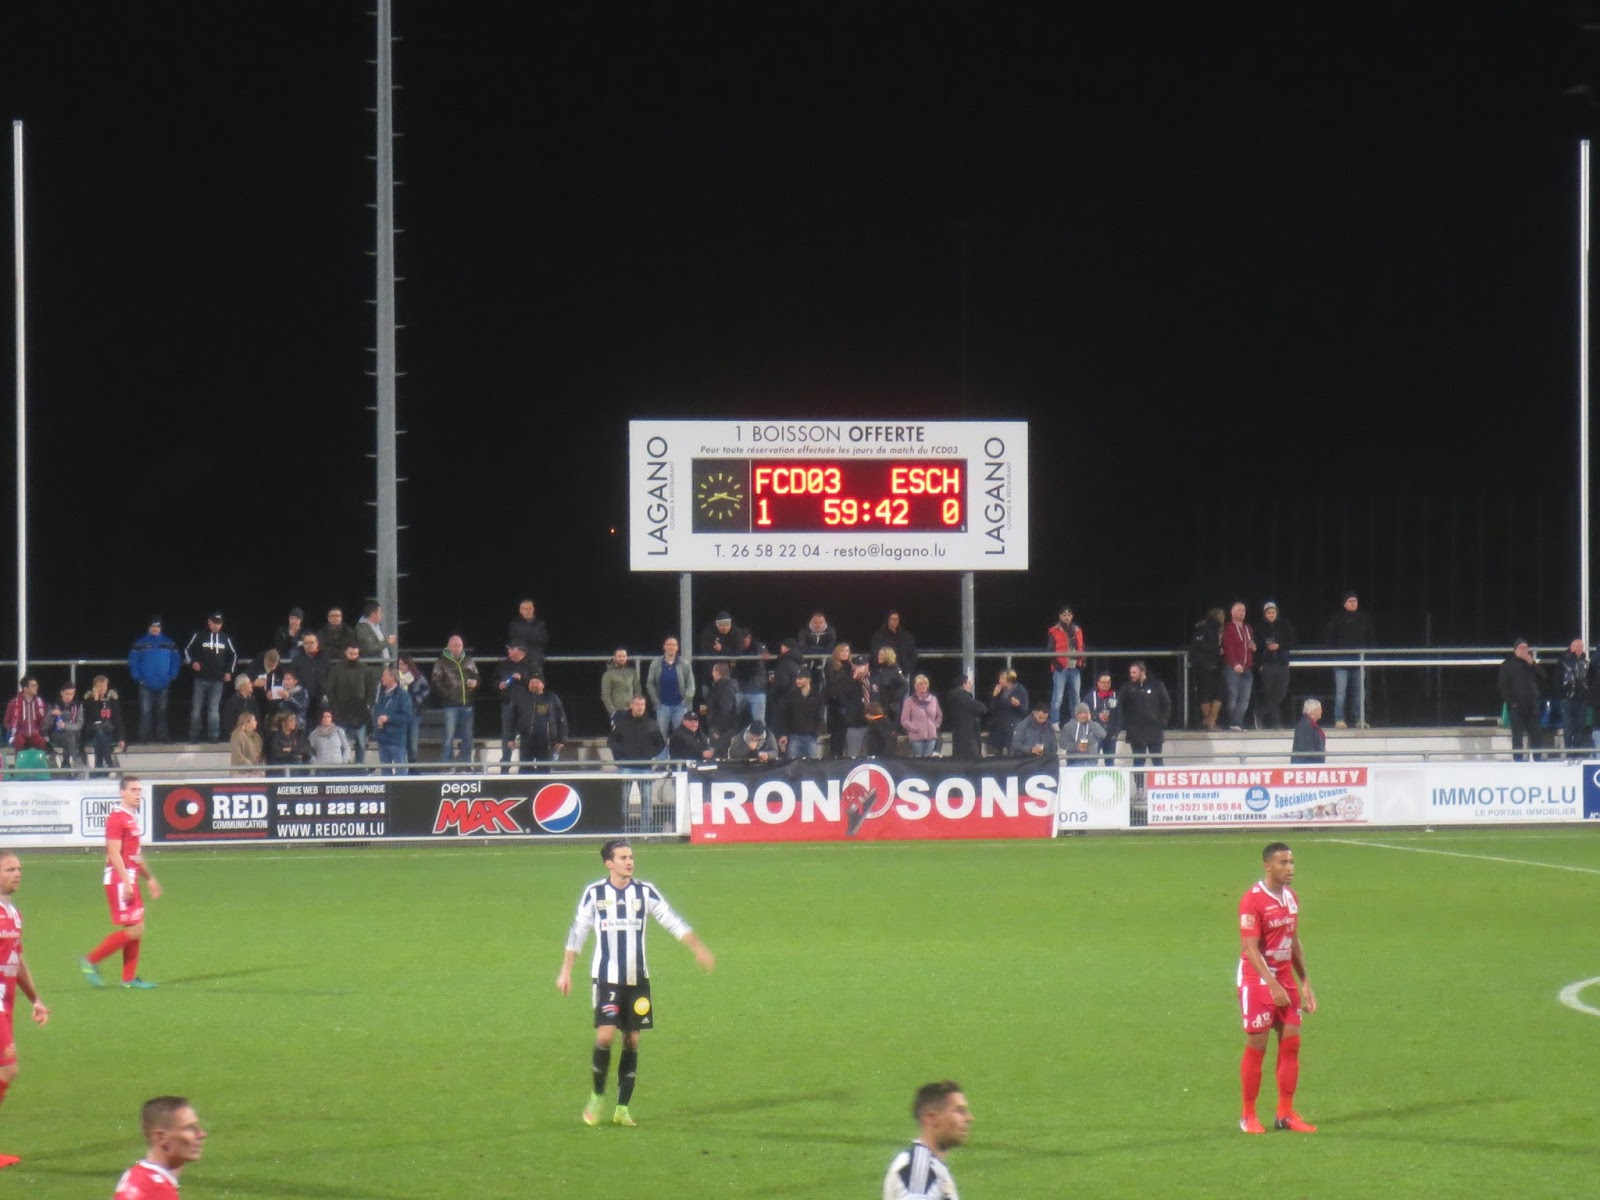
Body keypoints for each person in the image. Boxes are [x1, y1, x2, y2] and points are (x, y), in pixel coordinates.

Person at [556, 839, 715, 1128]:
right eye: (622, 857)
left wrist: (697, 947)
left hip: (638, 980)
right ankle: (596, 1094)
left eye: (631, 857)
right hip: (606, 978)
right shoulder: (594, 893)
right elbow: (577, 932)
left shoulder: (644, 892)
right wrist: (566, 970)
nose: (629, 862)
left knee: (631, 1039)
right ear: (609, 863)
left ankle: (622, 1107)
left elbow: (672, 920)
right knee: (604, 1037)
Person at [1237, 842, 1318, 1135]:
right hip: (1257, 978)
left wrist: (1305, 981)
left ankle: (1285, 1114)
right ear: (1267, 866)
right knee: (1257, 1048)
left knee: (1292, 1045)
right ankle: (1248, 1116)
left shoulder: (1291, 898)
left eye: (1292, 862)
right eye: (1283, 862)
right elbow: (1250, 947)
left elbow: (1293, 942)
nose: (1290, 868)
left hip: (1284, 978)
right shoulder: (1252, 900)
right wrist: (1271, 985)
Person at [79, 775, 161, 989]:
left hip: (130, 877)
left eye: (139, 790)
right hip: (118, 879)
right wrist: (125, 882)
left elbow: (135, 856)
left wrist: (150, 878)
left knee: (137, 927)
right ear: (121, 792)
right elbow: (114, 854)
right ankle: (90, 960)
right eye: (133, 790)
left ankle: (128, 979)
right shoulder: (116, 818)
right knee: (135, 929)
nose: (138, 794)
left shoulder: (131, 818)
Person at [0, 852, 51, 1170]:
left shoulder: (14, 914)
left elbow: (17, 962)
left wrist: (36, 999)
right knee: (8, 1071)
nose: (17, 873)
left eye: (19, 869)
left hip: (7, 1005)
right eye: (9, 869)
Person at [883, 1080, 972, 1200]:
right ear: (932, 1118)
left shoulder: (930, 1167)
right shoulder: (920, 1169)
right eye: (960, 1111)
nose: (969, 1118)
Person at [113, 1096, 207, 1199]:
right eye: (189, 1128)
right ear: (161, 1137)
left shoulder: (137, 1175)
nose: (201, 1134)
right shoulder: (157, 1191)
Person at [1323, 591, 1376, 728]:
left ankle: (1360, 719)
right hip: (1341, 662)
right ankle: (1339, 719)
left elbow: (1371, 639)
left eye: (1355, 601)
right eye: (1350, 601)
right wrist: (1333, 656)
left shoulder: (1364, 618)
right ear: (1345, 604)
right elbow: (1330, 639)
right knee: (1341, 692)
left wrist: (1369, 657)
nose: (1353, 603)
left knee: (1359, 693)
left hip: (1359, 662)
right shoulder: (1337, 619)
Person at [183, 611, 237, 741]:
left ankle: (214, 736)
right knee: (196, 710)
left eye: (219, 623)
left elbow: (233, 655)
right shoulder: (199, 635)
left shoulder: (225, 638)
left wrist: (229, 671)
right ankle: (194, 735)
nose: (216, 626)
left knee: (214, 710)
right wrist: (192, 662)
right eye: (214, 623)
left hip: (217, 680)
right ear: (209, 622)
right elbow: (186, 650)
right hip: (200, 679)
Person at [127, 617, 181, 743]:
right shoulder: (140, 642)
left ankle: (163, 737)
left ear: (161, 628)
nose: (155, 629)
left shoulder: (169, 642)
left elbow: (176, 660)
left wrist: (172, 676)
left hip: (163, 683)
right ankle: (144, 738)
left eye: (158, 626)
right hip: (145, 684)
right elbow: (133, 661)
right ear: (149, 627)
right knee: (146, 712)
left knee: (162, 712)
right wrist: (138, 678)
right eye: (153, 626)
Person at [430, 635, 480, 764]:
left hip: (467, 704)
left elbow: (477, 677)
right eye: (454, 646)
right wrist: (448, 694)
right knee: (449, 737)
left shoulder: (469, 660)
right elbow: (436, 682)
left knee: (467, 737)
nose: (457, 648)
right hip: (450, 705)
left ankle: (466, 764)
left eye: (459, 646)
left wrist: (475, 683)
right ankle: (446, 764)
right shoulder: (441, 662)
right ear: (448, 646)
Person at [1497, 637, 1544, 763]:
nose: (1524, 651)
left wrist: (1533, 664)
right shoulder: (1508, 665)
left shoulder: (1530, 665)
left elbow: (1543, 677)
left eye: (1526, 648)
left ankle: (1538, 760)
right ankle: (1518, 760)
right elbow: (1503, 686)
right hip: (1517, 707)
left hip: (1532, 706)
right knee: (1517, 737)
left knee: (1536, 736)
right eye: (1521, 648)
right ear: (1516, 650)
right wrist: (1512, 703)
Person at [325, 642, 373, 764]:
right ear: (346, 652)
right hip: (341, 712)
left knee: (361, 743)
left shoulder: (365, 668)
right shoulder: (336, 669)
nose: (353, 656)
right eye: (351, 653)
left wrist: (367, 705)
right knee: (341, 743)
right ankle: (343, 768)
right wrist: (335, 707)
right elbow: (330, 690)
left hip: (360, 712)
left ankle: (360, 767)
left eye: (355, 653)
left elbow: (370, 689)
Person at [1117, 660, 1172, 767]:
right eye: (1131, 672)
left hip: (1154, 730)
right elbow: (1119, 705)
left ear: (1142, 672)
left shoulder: (1157, 685)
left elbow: (1166, 703)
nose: (1131, 675)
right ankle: (1139, 784)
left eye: (1134, 672)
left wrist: (1162, 721)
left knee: (1157, 761)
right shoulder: (1127, 687)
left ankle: (1158, 784)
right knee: (1138, 762)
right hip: (1135, 732)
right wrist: (1126, 724)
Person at [510, 675, 568, 769]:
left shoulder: (551, 698)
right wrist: (510, 738)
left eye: (537, 682)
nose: (534, 685)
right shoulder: (521, 698)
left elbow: (561, 720)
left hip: (546, 742)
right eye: (532, 682)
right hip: (526, 741)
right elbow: (511, 719)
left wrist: (561, 740)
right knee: (525, 771)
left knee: (544, 771)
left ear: (543, 685)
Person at [1255, 602, 1296, 730]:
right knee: (1270, 693)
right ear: (1264, 614)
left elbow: (1292, 640)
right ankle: (1276, 723)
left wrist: (1280, 645)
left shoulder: (1285, 625)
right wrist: (1260, 664)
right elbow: (1256, 647)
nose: (1271, 615)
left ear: (1277, 613)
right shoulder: (1259, 627)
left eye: (1273, 612)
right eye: (1268, 613)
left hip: (1282, 663)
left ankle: (1260, 712)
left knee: (1280, 693)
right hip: (1267, 664)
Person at [646, 636, 694, 740]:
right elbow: (650, 684)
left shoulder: (684, 664)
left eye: (674, 645)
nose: (671, 647)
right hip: (662, 706)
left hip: (680, 706)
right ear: (664, 647)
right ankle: (662, 756)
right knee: (660, 736)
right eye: (668, 644)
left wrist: (685, 701)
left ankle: (679, 756)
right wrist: (656, 702)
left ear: (677, 648)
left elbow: (691, 685)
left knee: (681, 736)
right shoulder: (656, 663)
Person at [1046, 604, 1085, 727]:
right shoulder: (1054, 630)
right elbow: (1050, 650)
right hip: (1061, 668)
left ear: (1072, 616)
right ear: (1060, 616)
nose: (1066, 617)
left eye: (1068, 615)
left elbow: (1082, 647)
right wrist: (1056, 664)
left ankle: (1076, 721)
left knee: (1076, 697)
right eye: (1064, 615)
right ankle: (1055, 722)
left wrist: (1082, 661)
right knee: (1058, 697)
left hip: (1075, 667)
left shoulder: (1078, 630)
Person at [771, 672, 824, 760]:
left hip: (810, 738)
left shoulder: (817, 696)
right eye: (796, 679)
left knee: (812, 766)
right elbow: (786, 716)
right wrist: (784, 734)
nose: (797, 681)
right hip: (794, 737)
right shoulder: (791, 696)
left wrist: (815, 733)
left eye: (800, 678)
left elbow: (819, 716)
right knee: (792, 766)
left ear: (808, 680)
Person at [1221, 601, 1256, 732]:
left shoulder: (1248, 628)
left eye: (1243, 610)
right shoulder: (1229, 628)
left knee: (1245, 698)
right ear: (1232, 612)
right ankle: (1232, 722)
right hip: (1232, 667)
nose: (1242, 613)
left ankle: (1238, 723)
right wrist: (1235, 663)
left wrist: (1253, 647)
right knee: (1233, 695)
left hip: (1246, 667)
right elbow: (1228, 647)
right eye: (1239, 610)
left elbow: (1249, 645)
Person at [496, 641, 538, 752]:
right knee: (507, 735)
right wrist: (499, 684)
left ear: (520, 651)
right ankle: (505, 765)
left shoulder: (531, 664)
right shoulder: (504, 665)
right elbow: (494, 679)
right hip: (508, 702)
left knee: (528, 732)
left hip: (527, 705)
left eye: (511, 649)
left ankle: (526, 762)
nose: (508, 651)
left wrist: (522, 678)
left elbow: (538, 683)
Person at [372, 666, 414, 774]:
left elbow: (407, 717)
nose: (382, 678)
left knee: (401, 771)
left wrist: (389, 719)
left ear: (393, 677)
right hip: (383, 740)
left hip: (396, 740)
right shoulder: (381, 695)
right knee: (385, 773)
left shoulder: (403, 696)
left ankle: (402, 791)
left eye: (385, 675)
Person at [1188, 607, 1225, 730]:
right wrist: (1217, 649)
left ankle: (1210, 721)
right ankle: (1211, 723)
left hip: (1210, 665)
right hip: (1205, 665)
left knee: (1213, 694)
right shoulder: (1207, 628)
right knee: (1209, 694)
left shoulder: (1212, 628)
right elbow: (1200, 645)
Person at [867, 647, 907, 758]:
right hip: (878, 710)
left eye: (882, 655)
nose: (879, 657)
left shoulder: (894, 669)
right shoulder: (876, 670)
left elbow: (904, 686)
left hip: (890, 711)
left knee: (889, 738)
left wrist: (895, 701)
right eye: (878, 654)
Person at [1556, 638, 1590, 756]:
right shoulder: (1563, 661)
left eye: (1581, 646)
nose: (1579, 649)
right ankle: (1569, 752)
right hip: (1567, 699)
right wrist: (1561, 694)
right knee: (1569, 725)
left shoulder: (1585, 662)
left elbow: (1588, 680)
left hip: (1582, 700)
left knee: (1580, 726)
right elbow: (1557, 679)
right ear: (1571, 647)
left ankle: (1577, 751)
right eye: (1576, 646)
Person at [609, 694, 666, 762]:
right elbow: (612, 742)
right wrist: (623, 755)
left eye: (642, 705)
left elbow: (660, 744)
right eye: (637, 704)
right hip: (626, 766)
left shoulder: (652, 724)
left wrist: (649, 754)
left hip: (645, 766)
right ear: (631, 705)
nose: (640, 707)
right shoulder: (622, 723)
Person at [733, 628, 772, 725]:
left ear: (749, 638)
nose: (741, 643)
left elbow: (764, 652)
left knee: (759, 722)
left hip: (756, 689)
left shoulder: (758, 646)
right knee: (730, 716)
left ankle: (761, 739)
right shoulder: (735, 646)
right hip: (740, 689)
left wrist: (764, 652)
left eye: (743, 640)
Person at [702, 661, 742, 756]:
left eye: (713, 671)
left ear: (716, 672)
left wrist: (718, 730)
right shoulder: (721, 686)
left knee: (719, 754)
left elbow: (725, 710)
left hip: (722, 730)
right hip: (721, 728)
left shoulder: (725, 688)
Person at [397, 655, 431, 765]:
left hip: (413, 712)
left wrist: (417, 699)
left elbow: (426, 689)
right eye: (400, 664)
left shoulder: (418, 677)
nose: (400, 666)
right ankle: (401, 765)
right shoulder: (395, 677)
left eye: (403, 664)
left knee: (412, 741)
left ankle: (412, 765)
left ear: (408, 665)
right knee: (400, 741)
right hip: (399, 713)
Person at [944, 674, 987, 759]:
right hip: (968, 734)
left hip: (958, 731)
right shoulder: (963, 697)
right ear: (964, 684)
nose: (970, 685)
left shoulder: (953, 697)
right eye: (969, 682)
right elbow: (982, 708)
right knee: (971, 759)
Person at [900, 674, 943, 757]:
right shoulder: (909, 701)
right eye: (920, 684)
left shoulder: (933, 699)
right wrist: (915, 729)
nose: (923, 686)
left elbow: (939, 715)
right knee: (918, 760)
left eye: (925, 684)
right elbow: (904, 720)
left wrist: (936, 725)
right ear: (915, 686)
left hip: (931, 737)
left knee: (928, 761)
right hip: (916, 738)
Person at [1082, 671, 1121, 763]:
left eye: (1108, 682)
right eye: (1103, 682)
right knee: (1092, 762)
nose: (1106, 685)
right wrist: (1097, 715)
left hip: (1110, 735)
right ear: (1098, 683)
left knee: (1110, 762)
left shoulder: (1114, 696)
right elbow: (1082, 713)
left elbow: (1119, 715)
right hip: (1094, 735)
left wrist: (1116, 733)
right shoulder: (1090, 696)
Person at [46, 682, 85, 773]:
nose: (69, 696)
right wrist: (51, 714)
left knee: (69, 734)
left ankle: (66, 764)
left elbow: (79, 725)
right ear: (61, 693)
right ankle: (76, 760)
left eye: (71, 694)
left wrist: (65, 726)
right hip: (56, 735)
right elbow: (46, 724)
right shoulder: (53, 705)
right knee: (69, 736)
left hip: (73, 735)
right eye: (67, 694)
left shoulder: (78, 706)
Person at [987, 669, 1028, 754]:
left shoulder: (1020, 690)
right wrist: (994, 695)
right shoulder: (1000, 690)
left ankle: (1011, 751)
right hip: (1000, 722)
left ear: (1009, 679)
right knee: (994, 726)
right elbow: (991, 709)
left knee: (1012, 729)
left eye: (1002, 678)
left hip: (1013, 721)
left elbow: (1025, 710)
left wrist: (1018, 704)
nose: (999, 681)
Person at [507, 597, 550, 678]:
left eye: (530, 608)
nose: (529, 611)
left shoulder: (540, 623)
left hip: (536, 657)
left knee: (536, 678)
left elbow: (543, 640)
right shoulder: (514, 624)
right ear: (521, 611)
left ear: (534, 609)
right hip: (519, 658)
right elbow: (514, 640)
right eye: (526, 609)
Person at [870, 609, 919, 678]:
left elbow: (913, 654)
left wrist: (909, 669)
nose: (894, 621)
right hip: (885, 674)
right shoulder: (879, 636)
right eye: (892, 619)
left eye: (896, 619)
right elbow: (874, 655)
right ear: (888, 620)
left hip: (904, 673)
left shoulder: (906, 636)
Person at [3, 678, 46, 754]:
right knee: (19, 740)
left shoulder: (39, 702)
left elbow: (43, 720)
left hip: (35, 733)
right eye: (33, 685)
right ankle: (18, 764)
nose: (36, 687)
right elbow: (7, 721)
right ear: (25, 688)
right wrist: (15, 730)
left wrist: (39, 730)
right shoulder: (13, 703)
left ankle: (39, 764)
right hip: (20, 733)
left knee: (41, 741)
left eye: (36, 685)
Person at [600, 647, 640, 727]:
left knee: (633, 736)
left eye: (624, 656)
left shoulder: (632, 672)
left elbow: (638, 691)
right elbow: (605, 695)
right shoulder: (608, 674)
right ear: (615, 658)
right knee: (618, 737)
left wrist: (636, 707)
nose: (622, 658)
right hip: (617, 711)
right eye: (619, 656)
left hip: (631, 710)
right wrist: (612, 711)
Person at [1290, 699, 1326, 764]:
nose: (1321, 711)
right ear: (1313, 711)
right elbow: (1305, 748)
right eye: (1319, 709)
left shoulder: (1307, 724)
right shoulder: (1305, 725)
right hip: (1307, 765)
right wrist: (1318, 757)